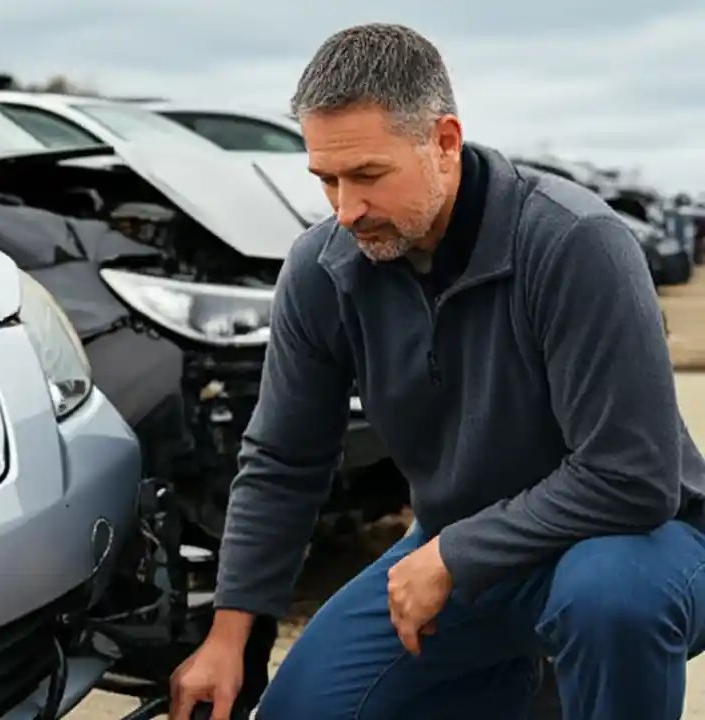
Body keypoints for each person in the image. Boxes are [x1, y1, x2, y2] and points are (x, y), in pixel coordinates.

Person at [169, 22, 705, 720]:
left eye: (367, 175)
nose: (345, 208)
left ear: (444, 142)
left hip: (640, 544)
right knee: (304, 708)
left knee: (608, 602)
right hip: (458, 554)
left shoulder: (576, 243)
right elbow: (283, 460)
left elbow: (630, 476)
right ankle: (519, 690)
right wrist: (229, 638)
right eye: (326, 179)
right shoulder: (322, 268)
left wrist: (454, 552)